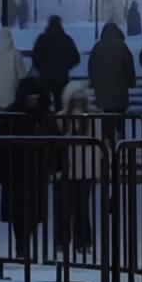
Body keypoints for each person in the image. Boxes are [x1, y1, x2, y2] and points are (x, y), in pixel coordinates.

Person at [0, 74, 59, 260]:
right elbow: (0, 144)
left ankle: (24, 245)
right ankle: (22, 246)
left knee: (32, 212)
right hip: (16, 170)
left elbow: (57, 141)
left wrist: (54, 162)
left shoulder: (44, 116)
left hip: (36, 170)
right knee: (19, 212)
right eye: (30, 97)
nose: (33, 101)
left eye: (35, 98)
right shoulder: (13, 115)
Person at [54, 86, 101, 255]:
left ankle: (84, 242)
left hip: (85, 169)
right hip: (65, 168)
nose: (79, 104)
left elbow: (98, 144)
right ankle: (62, 241)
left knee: (82, 207)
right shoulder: (61, 118)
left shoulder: (92, 118)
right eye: (76, 100)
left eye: (82, 100)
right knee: (63, 207)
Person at [87, 19, 135, 135]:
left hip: (102, 86)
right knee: (120, 112)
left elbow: (91, 65)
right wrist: (131, 81)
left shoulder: (98, 46)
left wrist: (93, 81)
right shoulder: (121, 45)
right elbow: (128, 64)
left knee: (106, 112)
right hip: (120, 84)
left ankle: (107, 136)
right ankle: (120, 134)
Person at [30, 14, 80, 100]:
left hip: (45, 77)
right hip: (61, 77)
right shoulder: (66, 39)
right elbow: (76, 58)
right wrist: (66, 67)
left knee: (44, 102)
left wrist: (41, 68)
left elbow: (35, 56)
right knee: (59, 102)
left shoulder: (42, 39)